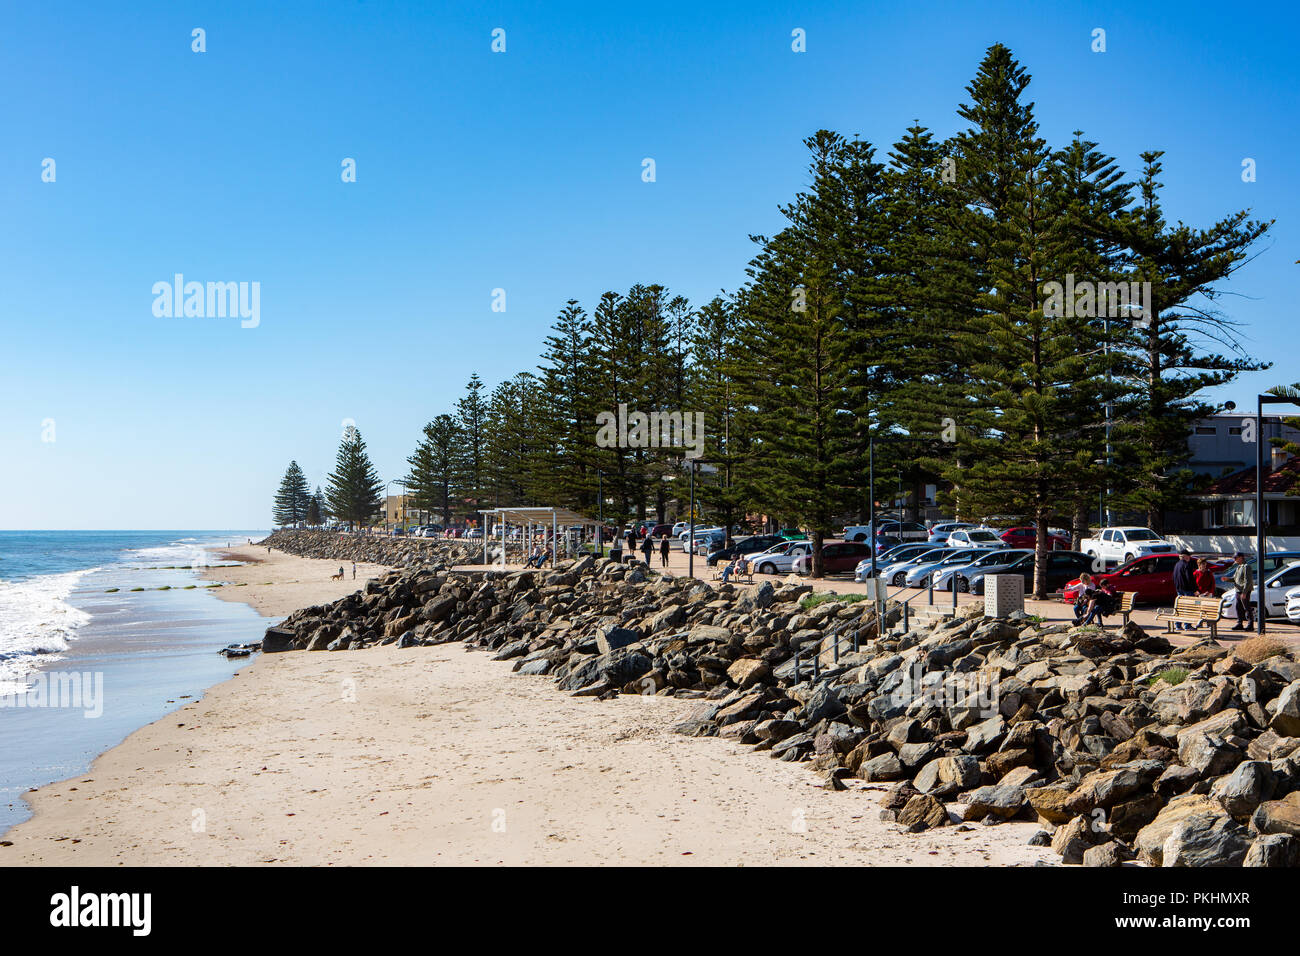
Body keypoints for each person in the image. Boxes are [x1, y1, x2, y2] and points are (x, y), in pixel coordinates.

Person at [1172, 552, 1197, 630]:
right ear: (1186, 557)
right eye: (1189, 557)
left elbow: (1174, 577)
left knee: (1180, 607)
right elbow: (1189, 578)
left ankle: (1178, 625)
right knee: (1188, 607)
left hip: (1179, 588)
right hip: (1187, 589)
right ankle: (1187, 625)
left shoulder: (1177, 565)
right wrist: (1195, 589)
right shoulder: (1186, 565)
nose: (1189, 558)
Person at [1231, 553, 1255, 631]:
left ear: (1241, 558)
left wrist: (1244, 592)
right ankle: (1239, 623)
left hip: (1244, 591)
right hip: (1238, 590)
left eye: (1236, 558)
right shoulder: (1238, 567)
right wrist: (1227, 579)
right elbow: (1235, 578)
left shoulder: (1246, 567)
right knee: (1238, 607)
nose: (1235, 560)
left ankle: (1250, 625)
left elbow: (1248, 581)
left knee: (1247, 607)